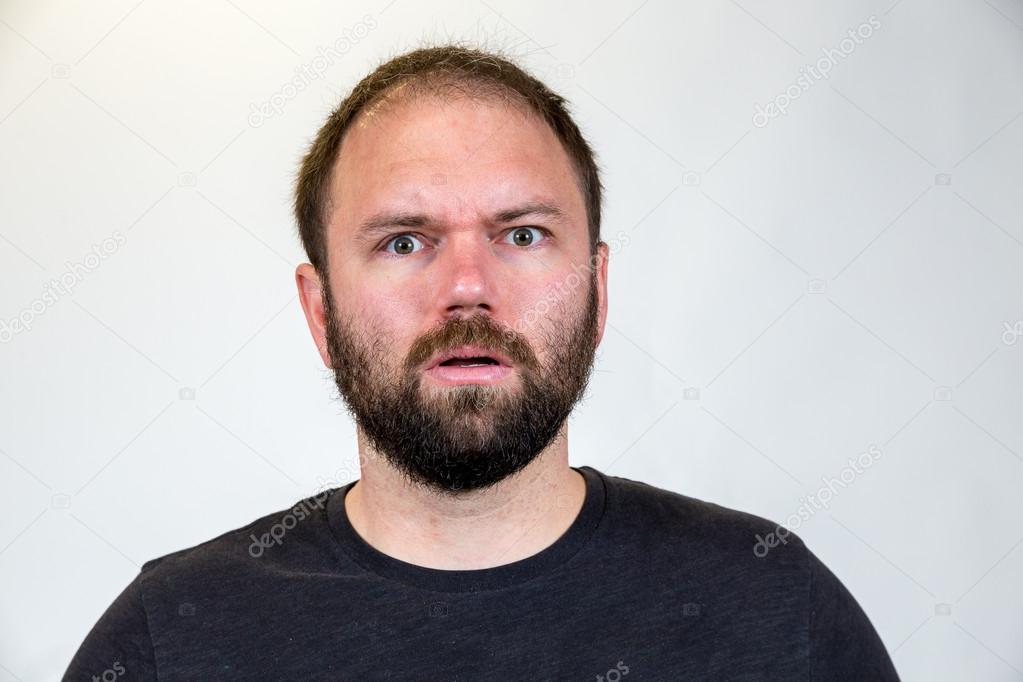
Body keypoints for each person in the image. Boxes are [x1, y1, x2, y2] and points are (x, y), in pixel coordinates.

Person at [64, 44, 901, 680]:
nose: (467, 288)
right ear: (319, 311)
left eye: (522, 235)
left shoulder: (771, 608)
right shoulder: (171, 637)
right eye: (403, 241)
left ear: (597, 289)